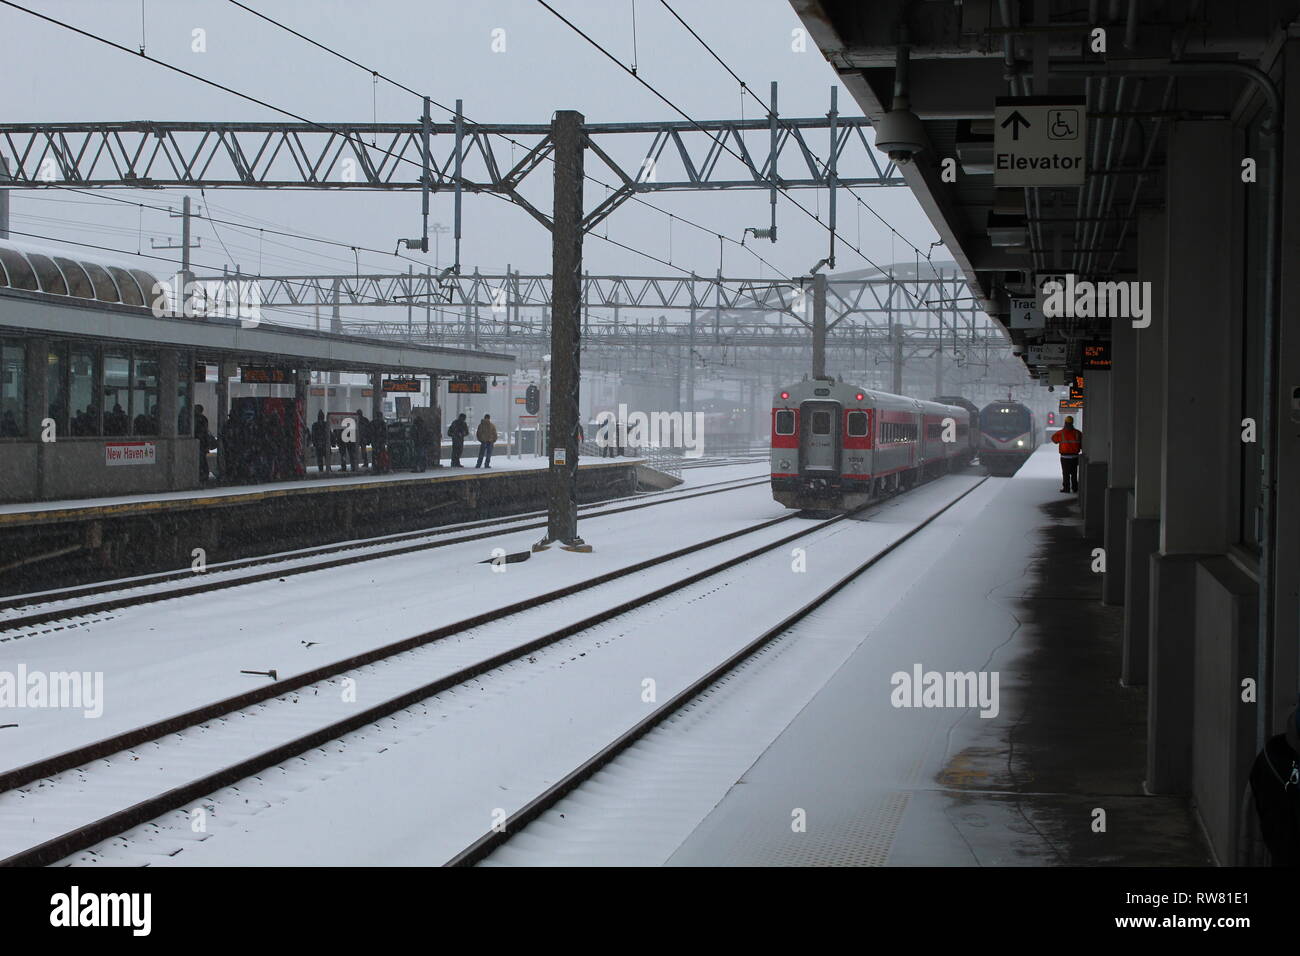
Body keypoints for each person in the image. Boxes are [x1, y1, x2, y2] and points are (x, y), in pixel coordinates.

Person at [1050, 414, 1083, 493]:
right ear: (1072, 423)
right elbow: (1082, 445)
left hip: (1065, 457)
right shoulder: (1078, 433)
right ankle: (1075, 488)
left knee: (1066, 473)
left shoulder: (1061, 433)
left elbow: (1054, 439)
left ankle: (1066, 488)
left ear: (1065, 423)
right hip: (1075, 457)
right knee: (1074, 473)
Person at [195, 404, 212, 482]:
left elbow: (202, 432)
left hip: (201, 443)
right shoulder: (203, 419)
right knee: (202, 460)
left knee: (202, 460)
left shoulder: (199, 419)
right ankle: (204, 474)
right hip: (202, 443)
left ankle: (203, 475)